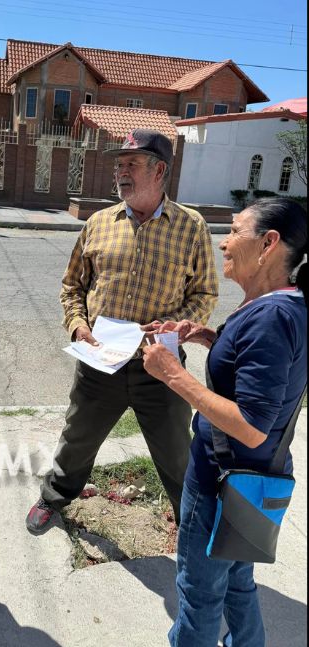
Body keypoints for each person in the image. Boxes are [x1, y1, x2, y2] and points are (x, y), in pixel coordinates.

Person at [26, 128, 219, 534]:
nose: (120, 172)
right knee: (77, 438)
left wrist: (179, 325)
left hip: (162, 368)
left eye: (131, 164)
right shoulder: (99, 223)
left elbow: (204, 293)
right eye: (119, 164)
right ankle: (55, 496)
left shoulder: (191, 227)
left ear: (159, 169)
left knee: (176, 452)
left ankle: (193, 522)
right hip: (100, 363)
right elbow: (72, 286)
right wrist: (78, 328)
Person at [142, 197, 306, 646]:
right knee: (236, 583)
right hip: (254, 479)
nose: (224, 243)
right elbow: (261, 375)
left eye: (234, 231)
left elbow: (252, 423)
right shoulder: (286, 306)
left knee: (199, 595)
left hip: (223, 482)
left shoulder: (269, 318)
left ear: (268, 243)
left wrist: (173, 373)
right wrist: (208, 337)